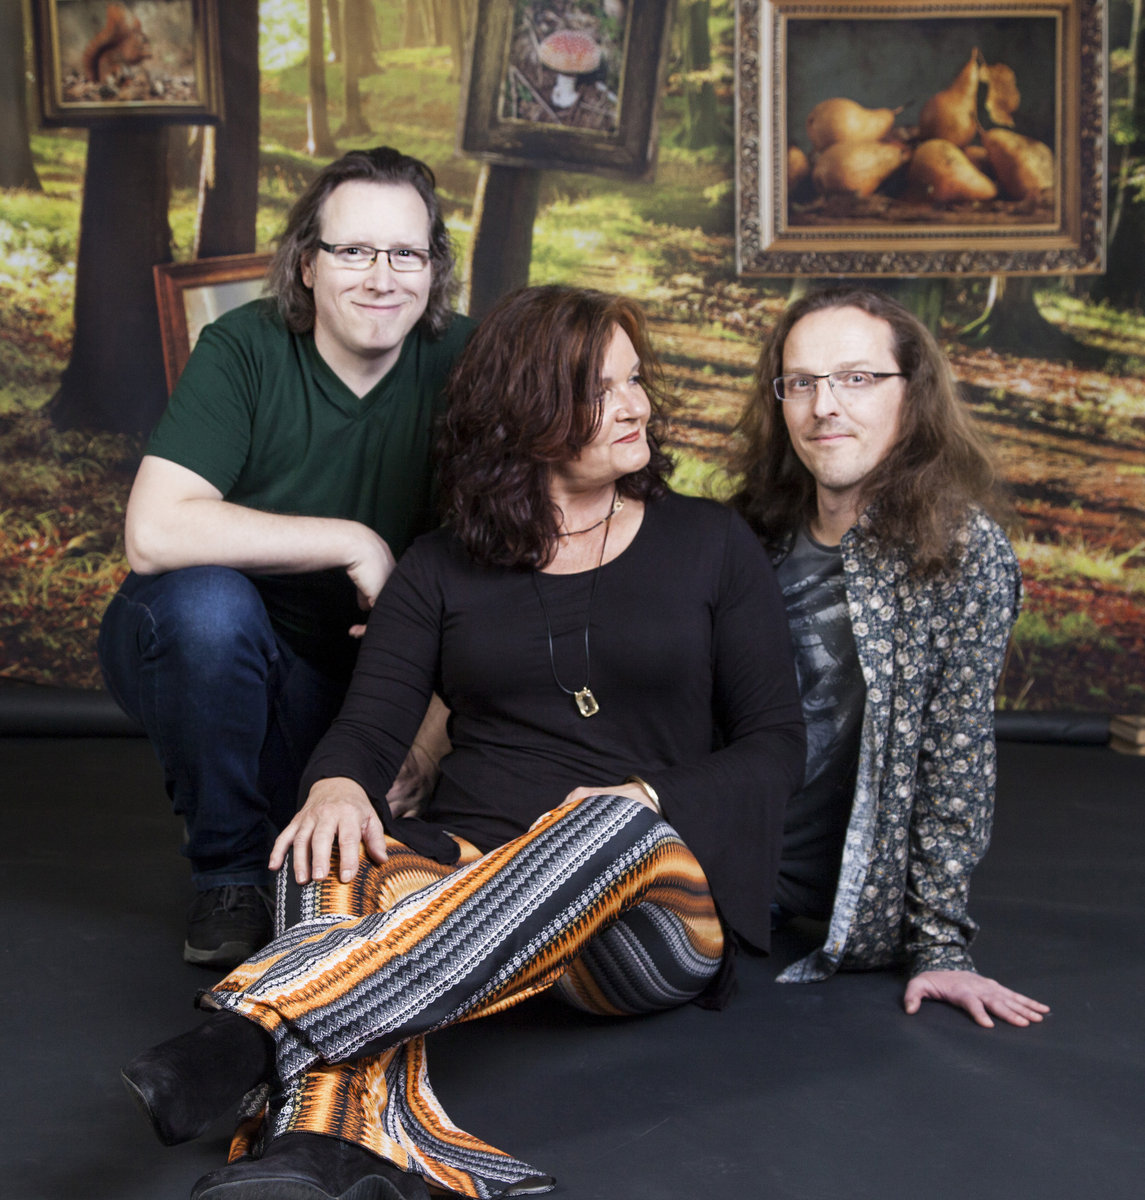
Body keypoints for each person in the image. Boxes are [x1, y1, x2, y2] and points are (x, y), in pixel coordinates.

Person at [120, 285, 806, 1200]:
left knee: (604, 825)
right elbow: (368, 727)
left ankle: (256, 1028)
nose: (636, 405)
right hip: (471, 880)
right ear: (524, 411)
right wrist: (335, 787)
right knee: (326, 848)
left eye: (635, 380)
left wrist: (647, 798)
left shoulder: (713, 542)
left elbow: (776, 742)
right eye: (600, 390)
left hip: (645, 911)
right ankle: (315, 1152)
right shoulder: (441, 566)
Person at [98, 147, 474, 968]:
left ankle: (285, 814)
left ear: (434, 268)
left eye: (405, 254)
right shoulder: (246, 346)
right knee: (207, 607)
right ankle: (227, 874)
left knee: (367, 865)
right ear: (307, 264)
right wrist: (352, 541)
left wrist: (428, 737)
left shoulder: (469, 363)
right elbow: (153, 532)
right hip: (220, 656)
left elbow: (505, 572)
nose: (381, 278)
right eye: (353, 251)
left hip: (370, 687)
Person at [730, 285, 1050, 1030]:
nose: (824, 406)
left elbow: (956, 754)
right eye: (800, 382)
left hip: (847, 911)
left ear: (912, 393)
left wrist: (940, 945)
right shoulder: (747, 532)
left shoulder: (963, 551)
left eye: (857, 378)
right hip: (716, 876)